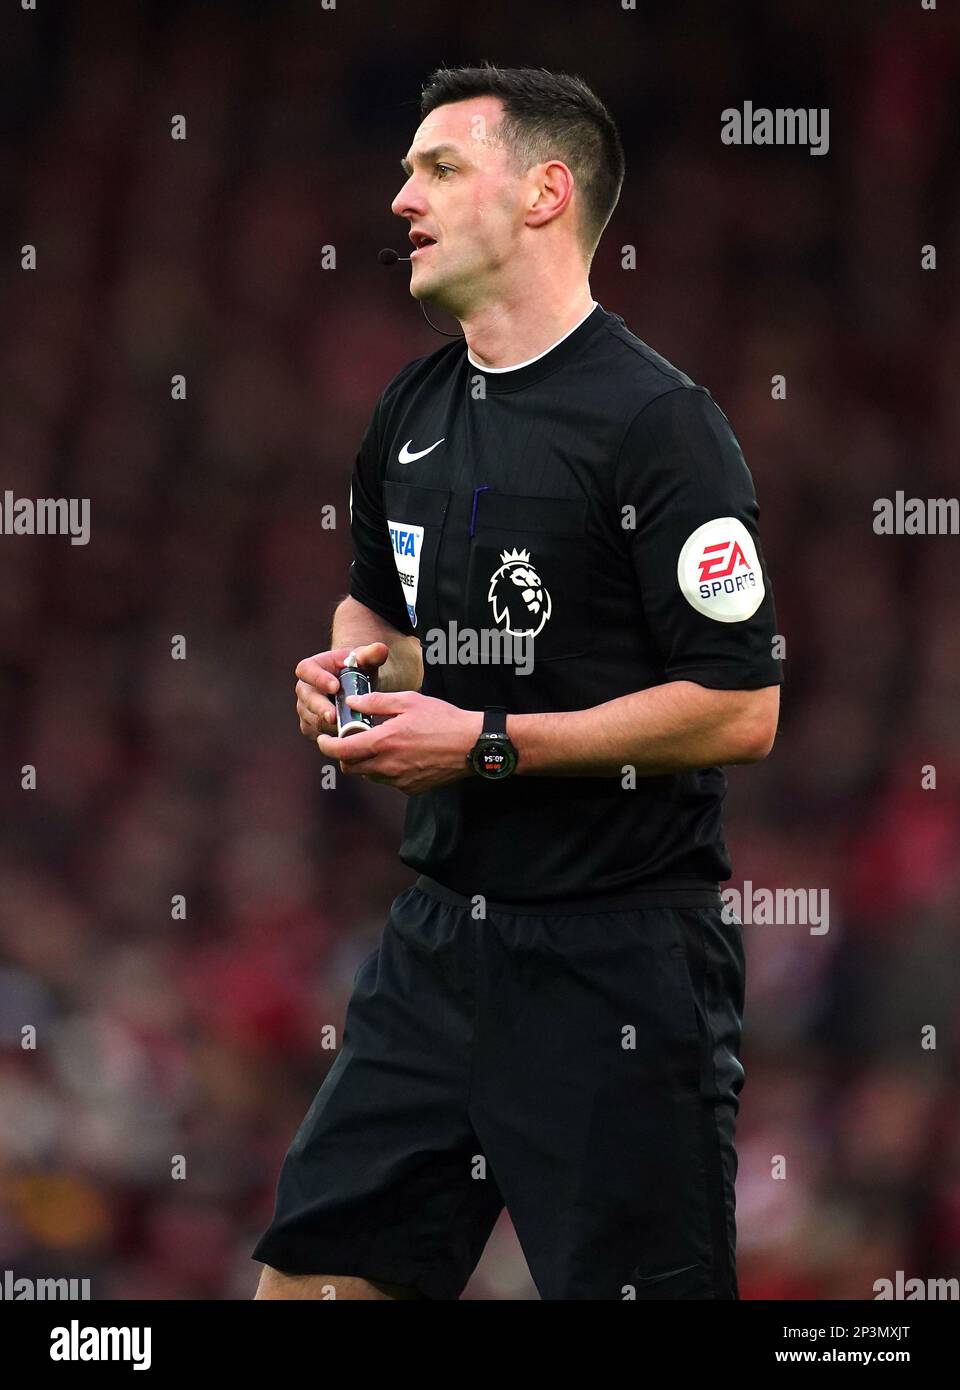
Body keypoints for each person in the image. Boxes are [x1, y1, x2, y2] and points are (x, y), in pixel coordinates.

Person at [253, 63, 782, 1301]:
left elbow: (741, 707)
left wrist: (484, 743)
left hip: (618, 961)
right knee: (313, 1286)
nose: (401, 199)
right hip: (437, 943)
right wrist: (353, 669)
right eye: (404, 171)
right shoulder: (411, 408)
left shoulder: (661, 423)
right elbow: (378, 606)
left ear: (545, 194)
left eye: (437, 168)